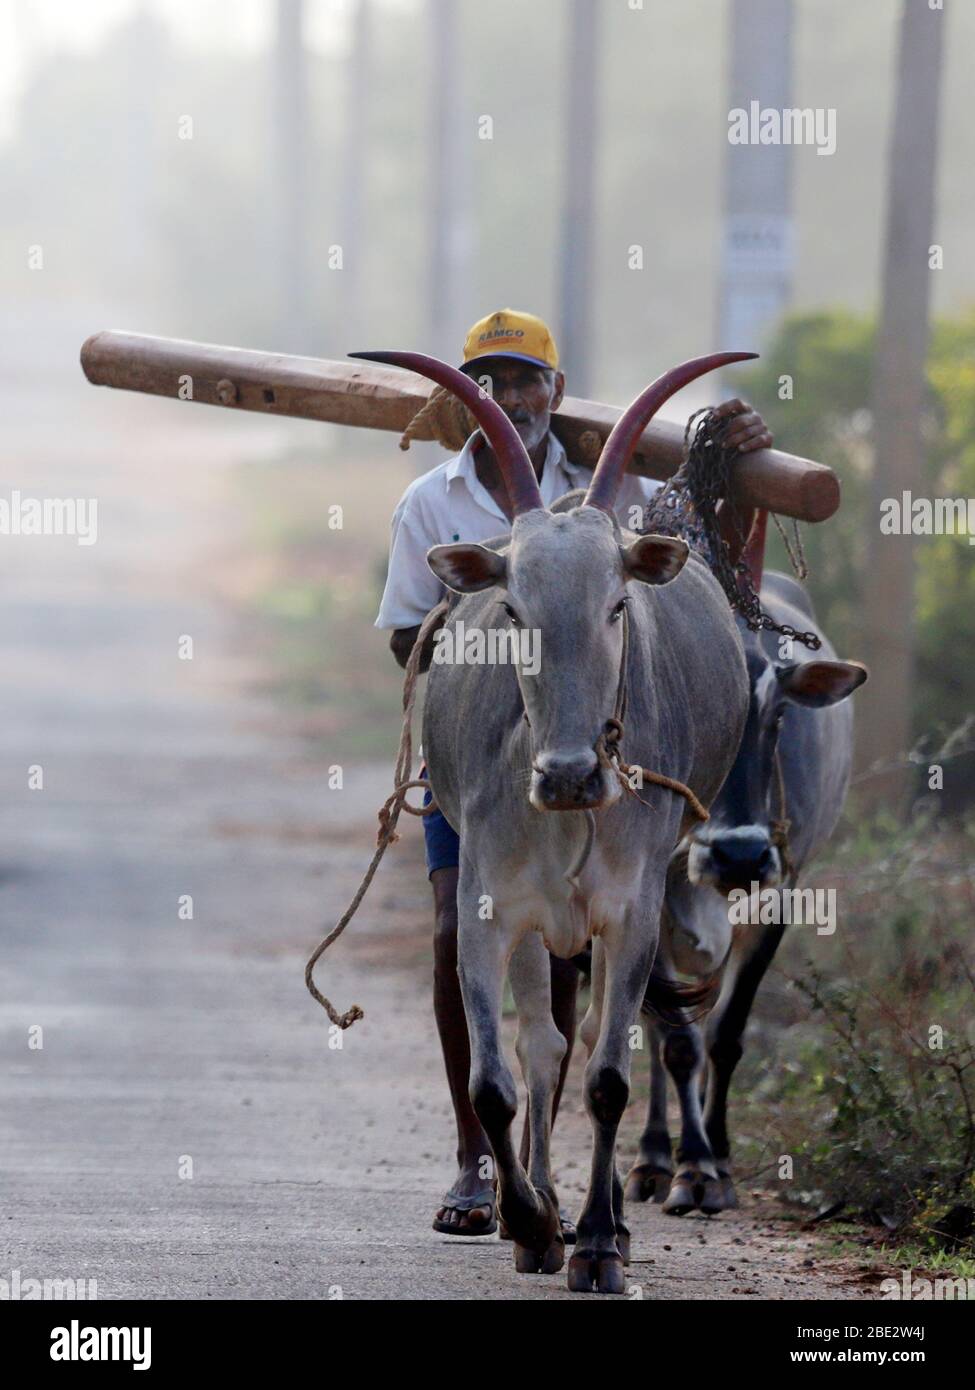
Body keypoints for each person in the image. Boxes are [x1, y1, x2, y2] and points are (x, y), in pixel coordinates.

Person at [374, 308, 772, 1236]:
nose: (510, 398)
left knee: (578, 956)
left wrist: (734, 453)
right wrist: (488, 628)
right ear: (461, 398)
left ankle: (548, 1164)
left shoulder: (622, 493)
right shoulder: (431, 504)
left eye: (525, 380)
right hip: (480, 758)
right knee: (454, 928)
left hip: (608, 760)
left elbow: (683, 553)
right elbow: (402, 633)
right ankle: (479, 1158)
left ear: (554, 389)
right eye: (491, 382)